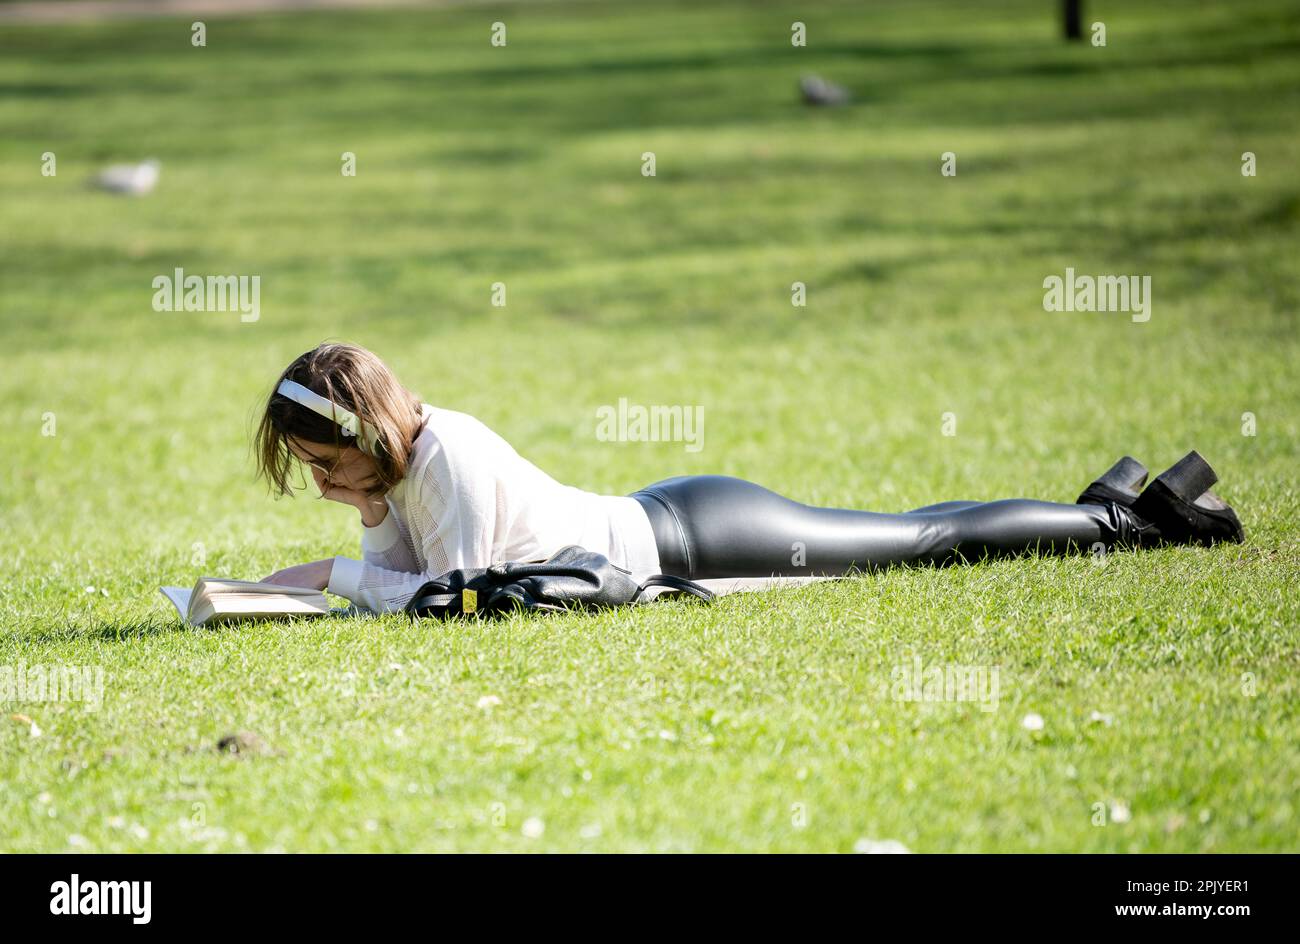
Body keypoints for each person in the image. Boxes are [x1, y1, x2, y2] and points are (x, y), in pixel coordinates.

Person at [257, 343, 1244, 613]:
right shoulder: (408, 471)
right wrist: (367, 513)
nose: (325, 481)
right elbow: (420, 579)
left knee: (918, 541)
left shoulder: (452, 452)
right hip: (678, 516)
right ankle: (1099, 510)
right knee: (911, 528)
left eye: (328, 462)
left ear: (373, 428)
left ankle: (1134, 522)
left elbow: (451, 598)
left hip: (701, 532)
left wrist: (336, 577)